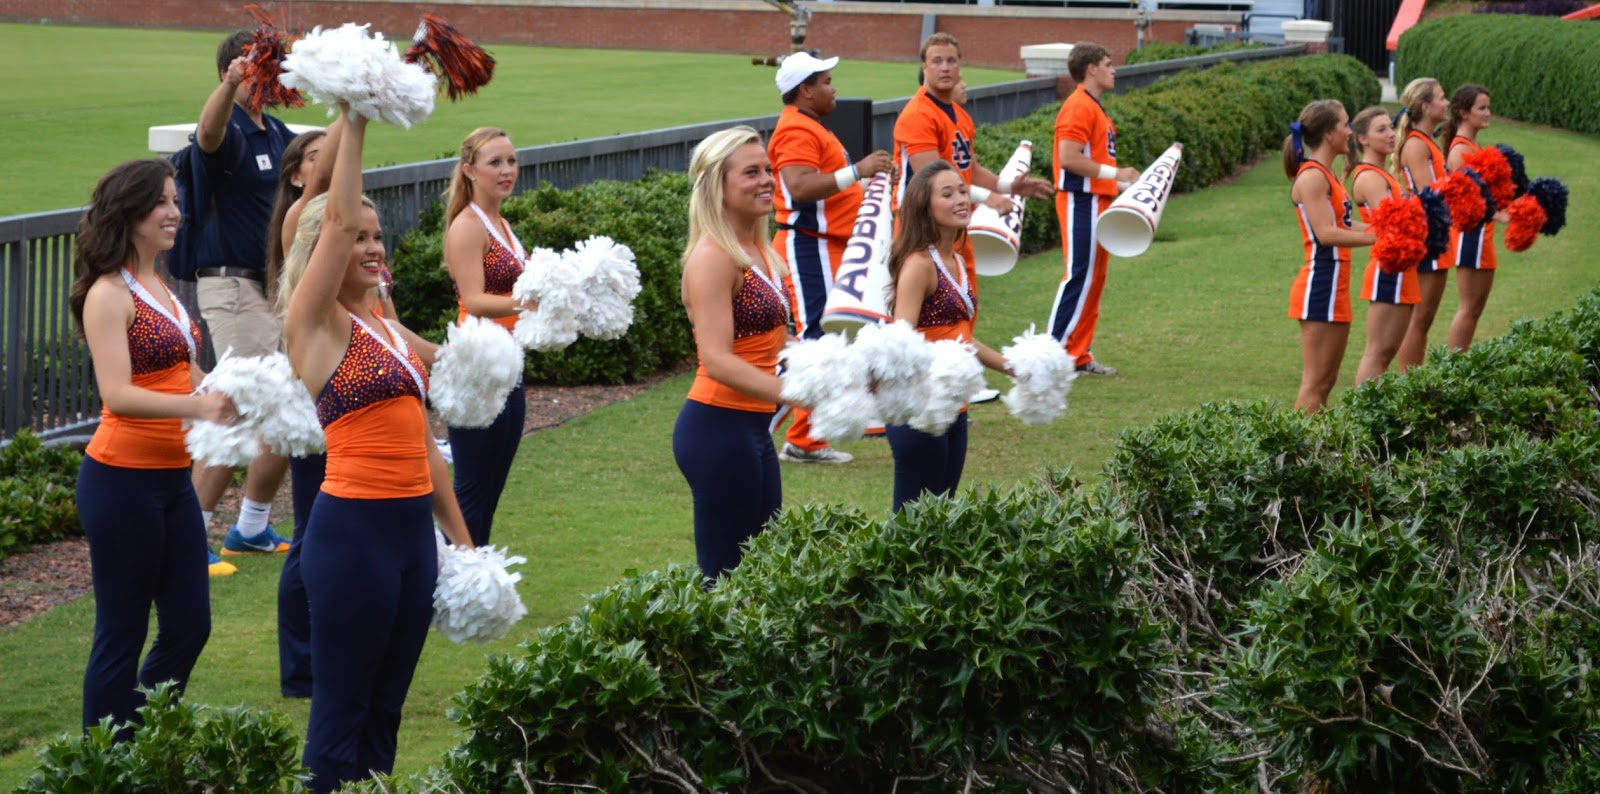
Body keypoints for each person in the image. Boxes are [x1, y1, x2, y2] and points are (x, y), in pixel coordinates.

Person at [279, 106, 472, 792]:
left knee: (386, 708)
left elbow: (424, 443)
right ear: (320, 254)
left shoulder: (386, 328)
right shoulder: (315, 325)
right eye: (356, 238)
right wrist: (353, 121)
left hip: (411, 535)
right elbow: (327, 220)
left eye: (377, 236)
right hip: (352, 535)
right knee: (342, 708)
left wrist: (462, 538)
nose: (370, 247)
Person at [70, 159, 239, 736]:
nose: (175, 212)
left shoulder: (160, 285)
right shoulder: (108, 293)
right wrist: (199, 407)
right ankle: (106, 762)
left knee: (191, 626)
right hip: (121, 481)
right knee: (122, 632)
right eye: (161, 203)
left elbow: (183, 368)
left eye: (175, 200)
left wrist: (232, 389)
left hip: (171, 480)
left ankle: (137, 735)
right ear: (130, 214)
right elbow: (117, 394)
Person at [191, 30, 296, 565]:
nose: (276, 76)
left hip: (271, 287)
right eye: (267, 66)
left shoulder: (276, 131)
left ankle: (251, 526)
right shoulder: (227, 126)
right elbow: (205, 137)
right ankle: (188, 538)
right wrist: (229, 88)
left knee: (286, 402)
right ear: (238, 69)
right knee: (238, 401)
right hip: (231, 284)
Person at [673, 126, 791, 580]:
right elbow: (717, 359)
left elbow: (765, 343)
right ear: (717, 186)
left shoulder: (758, 249)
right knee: (723, 575)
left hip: (752, 427)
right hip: (717, 429)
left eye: (768, 169)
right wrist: (799, 391)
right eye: (751, 173)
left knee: (762, 567)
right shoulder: (713, 257)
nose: (766, 180)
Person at [766, 52, 893, 465]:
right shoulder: (796, 129)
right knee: (815, 347)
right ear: (805, 90)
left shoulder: (809, 126)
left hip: (826, 246)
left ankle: (805, 438)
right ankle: (750, 431)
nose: (833, 88)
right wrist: (858, 170)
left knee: (830, 344)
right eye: (827, 81)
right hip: (809, 246)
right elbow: (800, 187)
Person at [885, 161, 1012, 513]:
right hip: (919, 407)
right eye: (948, 193)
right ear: (924, 207)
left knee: (941, 517)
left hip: (954, 404)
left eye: (962, 190)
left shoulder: (954, 258)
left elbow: (959, 338)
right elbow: (900, 344)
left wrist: (1011, 366)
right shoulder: (918, 265)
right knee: (913, 522)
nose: (961, 199)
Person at [893, 33, 1053, 310]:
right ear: (924, 68)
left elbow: (971, 169)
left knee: (964, 308)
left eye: (951, 61)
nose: (945, 67)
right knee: (928, 316)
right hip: (922, 228)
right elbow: (932, 179)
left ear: (960, 66)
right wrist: (989, 199)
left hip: (953, 225)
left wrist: (1009, 187)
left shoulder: (959, 114)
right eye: (937, 61)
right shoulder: (917, 114)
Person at [441, 127, 531, 547]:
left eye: (511, 161)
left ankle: (473, 578)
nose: (506, 170)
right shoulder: (467, 225)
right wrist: (533, 302)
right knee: (473, 487)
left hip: (507, 364)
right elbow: (474, 300)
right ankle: (452, 577)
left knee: (492, 485)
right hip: (477, 367)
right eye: (495, 162)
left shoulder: (502, 223)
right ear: (469, 170)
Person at [1048, 42, 1141, 376]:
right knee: (1079, 276)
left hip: (1095, 201)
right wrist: (1116, 175)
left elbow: (1091, 161)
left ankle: (1077, 353)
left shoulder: (1094, 108)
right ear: (1091, 68)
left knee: (1093, 278)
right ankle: (1051, 354)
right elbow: (1069, 158)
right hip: (1079, 201)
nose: (1113, 69)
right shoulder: (1078, 106)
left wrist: (1122, 186)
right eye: (1108, 63)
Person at [1285, 100, 1375, 412]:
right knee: (1316, 382)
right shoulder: (1312, 177)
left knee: (1327, 381)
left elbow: (1345, 223)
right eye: (1345, 125)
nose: (1349, 132)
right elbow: (1326, 233)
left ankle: (1314, 454)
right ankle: (1292, 454)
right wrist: (1378, 235)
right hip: (1320, 285)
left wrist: (1386, 225)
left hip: (1335, 286)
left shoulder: (1328, 174)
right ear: (1327, 134)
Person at [1347, 106, 1419, 384]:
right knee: (1378, 353)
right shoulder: (1369, 177)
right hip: (1389, 270)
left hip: (1401, 268)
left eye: (1391, 127)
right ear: (1362, 139)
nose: (1391, 134)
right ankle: (1362, 419)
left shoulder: (1382, 174)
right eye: (1381, 130)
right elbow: (1395, 227)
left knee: (1386, 353)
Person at [1392, 77, 1453, 371]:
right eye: (1441, 98)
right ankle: (1410, 385)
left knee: (1424, 318)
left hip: (1437, 236)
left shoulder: (1428, 142)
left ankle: (1413, 380)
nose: (1447, 103)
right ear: (1426, 107)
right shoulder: (1417, 144)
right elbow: (1429, 194)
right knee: (1419, 318)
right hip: (1428, 239)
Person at [1441, 84, 1506, 351]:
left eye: (1488, 107)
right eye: (1482, 108)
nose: (1488, 113)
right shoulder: (1461, 151)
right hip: (1472, 236)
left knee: (1474, 308)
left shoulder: (1470, 145)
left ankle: (1460, 366)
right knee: (1469, 308)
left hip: (1480, 235)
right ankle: (1456, 370)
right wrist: (1498, 213)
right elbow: (1464, 202)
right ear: (1463, 112)